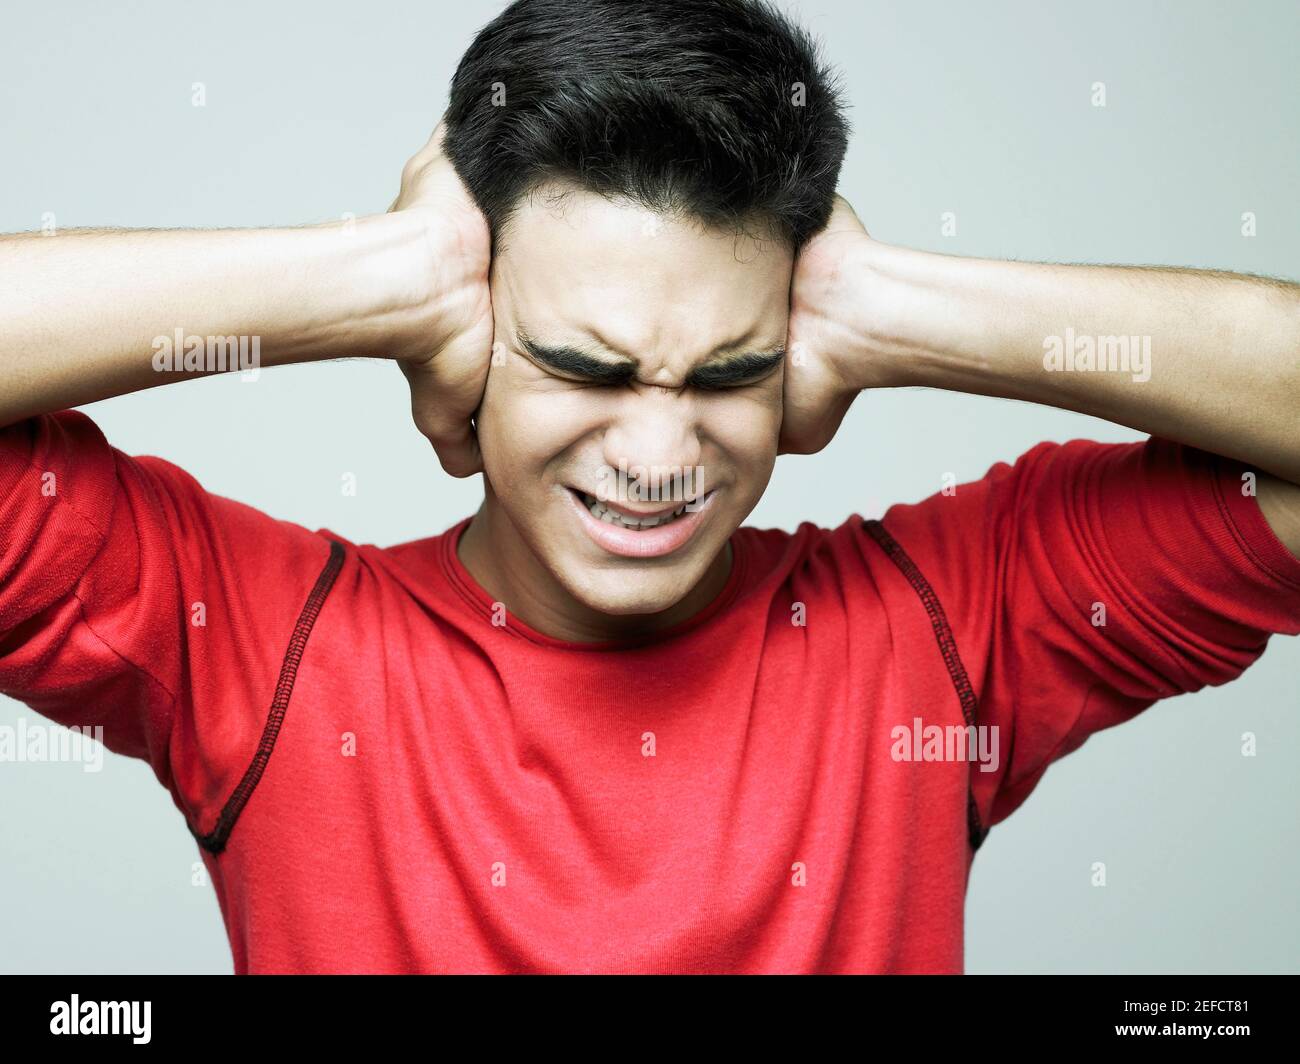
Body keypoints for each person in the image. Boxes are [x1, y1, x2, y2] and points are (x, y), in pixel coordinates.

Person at [1, 0, 1297, 974]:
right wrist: (380, 277)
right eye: (585, 368)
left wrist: (896, 305)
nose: (659, 454)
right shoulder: (265, 652)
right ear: (470, 338)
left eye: (727, 375)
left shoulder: (944, 628)